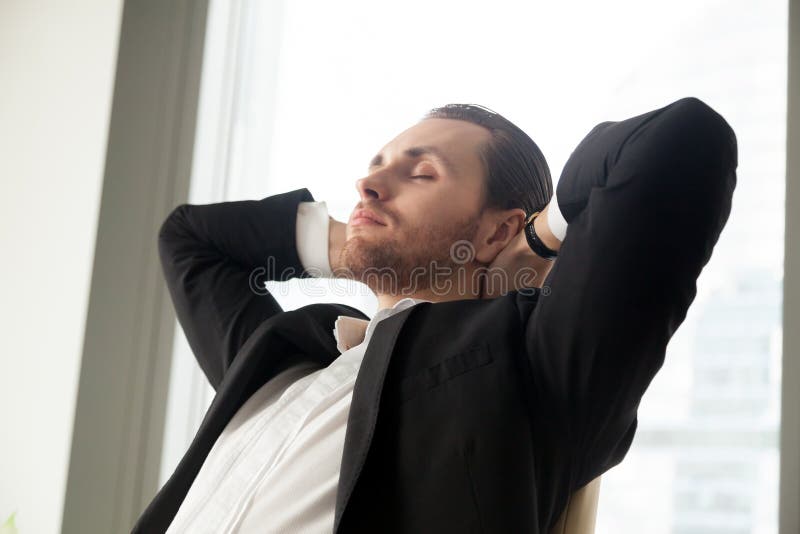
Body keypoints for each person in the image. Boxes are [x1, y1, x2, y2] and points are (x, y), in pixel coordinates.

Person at [133, 97, 737, 533]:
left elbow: (682, 139)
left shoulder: (532, 368)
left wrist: (534, 241)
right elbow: (189, 238)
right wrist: (359, 246)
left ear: (498, 227)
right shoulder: (288, 358)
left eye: (421, 172)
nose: (369, 182)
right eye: (377, 163)